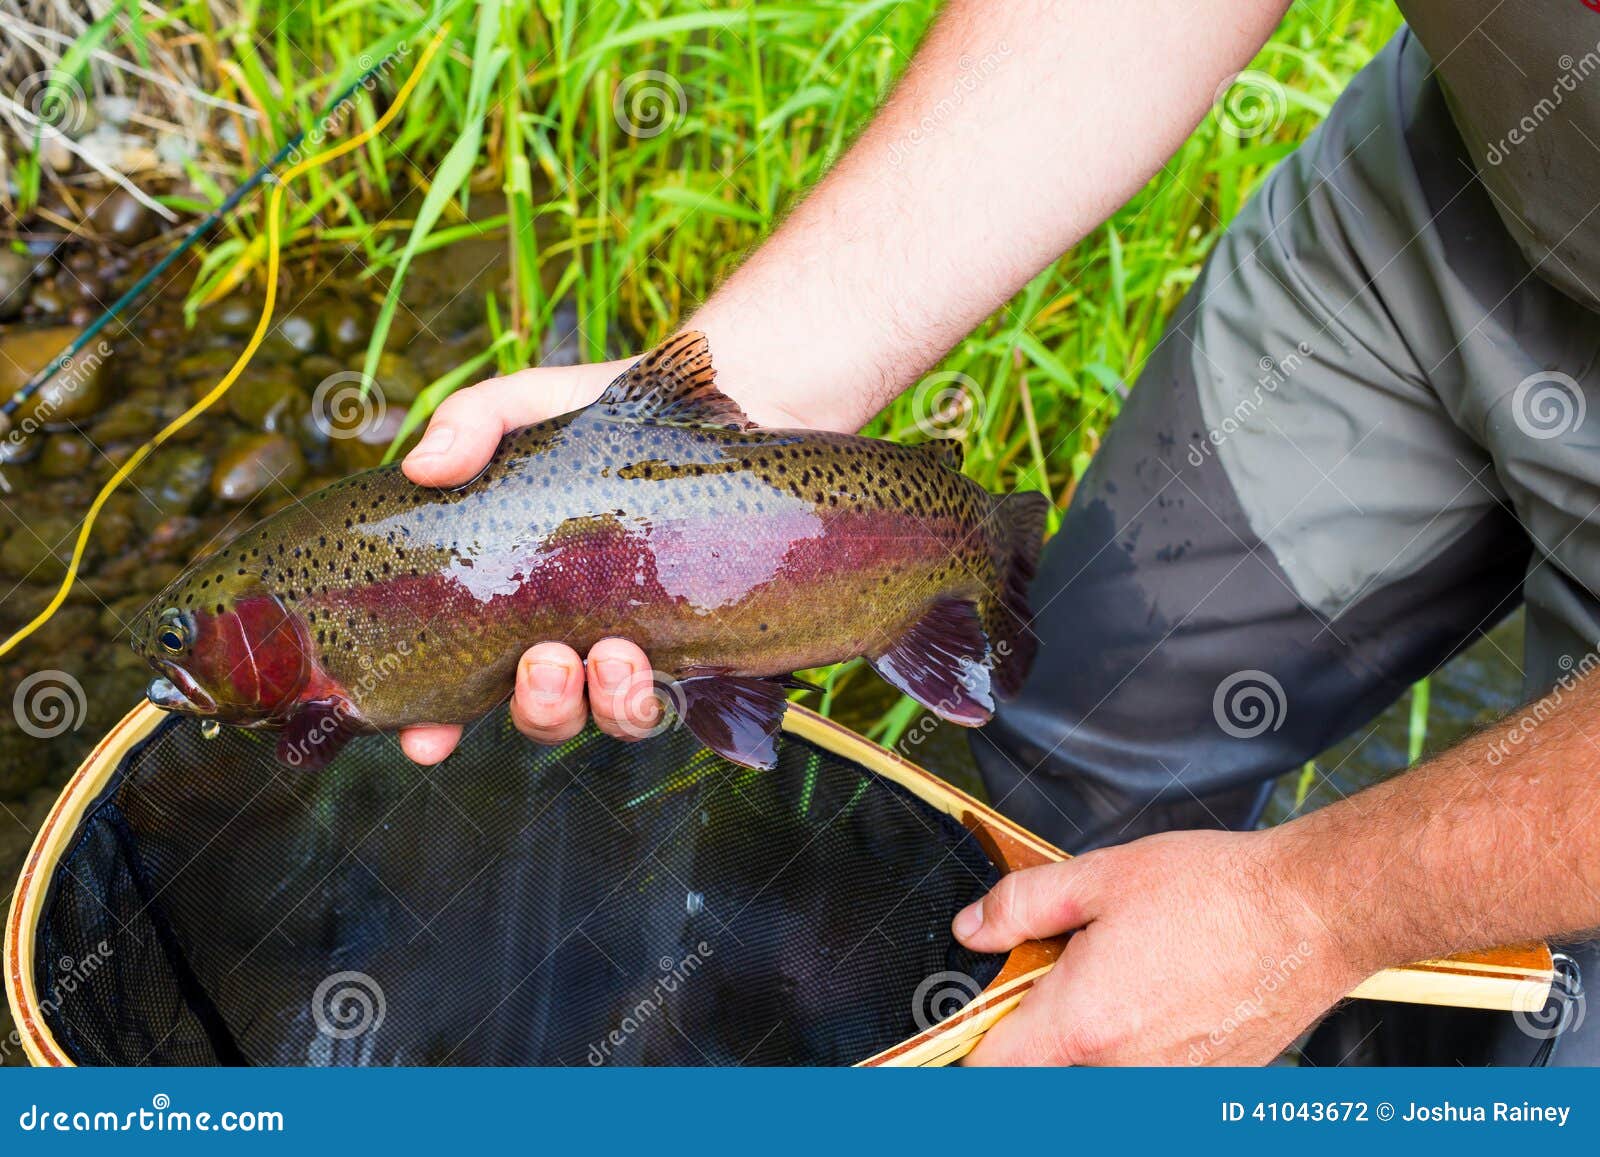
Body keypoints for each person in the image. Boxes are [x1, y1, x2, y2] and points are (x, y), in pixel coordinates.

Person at [396, 0, 1600, 1064]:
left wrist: (1309, 911)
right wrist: (764, 395)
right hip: (1443, 205)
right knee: (1057, 749)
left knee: (1547, 1037)